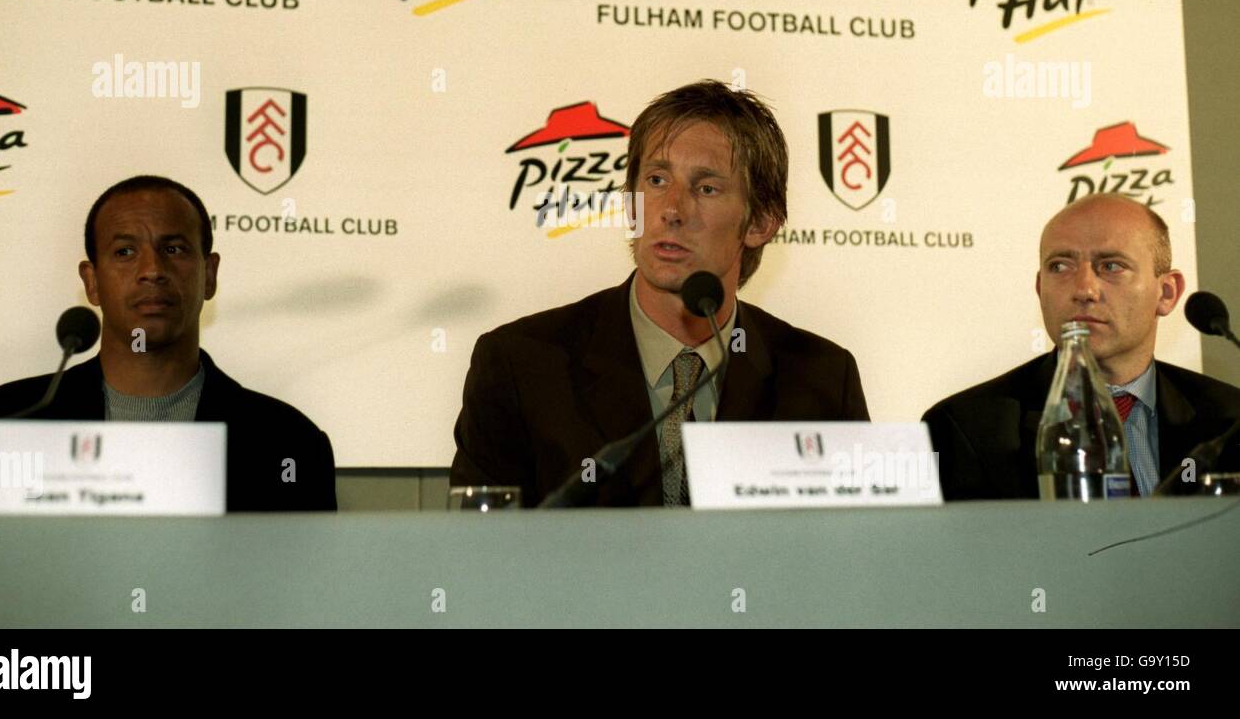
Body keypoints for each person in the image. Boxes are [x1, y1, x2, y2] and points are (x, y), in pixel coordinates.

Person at [451, 80, 869, 507]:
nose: (671, 209)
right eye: (655, 180)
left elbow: (853, 558)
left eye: (706, 188)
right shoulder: (522, 366)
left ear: (760, 222)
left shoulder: (820, 381)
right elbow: (478, 558)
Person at [0, 175, 337, 512]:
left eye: (173, 249)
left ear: (209, 275)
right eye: (125, 252)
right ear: (91, 282)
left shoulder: (288, 442)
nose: (153, 270)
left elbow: (300, 586)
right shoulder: (2, 422)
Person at [923, 193, 1240, 499]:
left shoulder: (1229, 420)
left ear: (1167, 293)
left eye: (1111, 266)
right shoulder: (963, 429)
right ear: (1039, 288)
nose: (1084, 289)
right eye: (1060, 267)